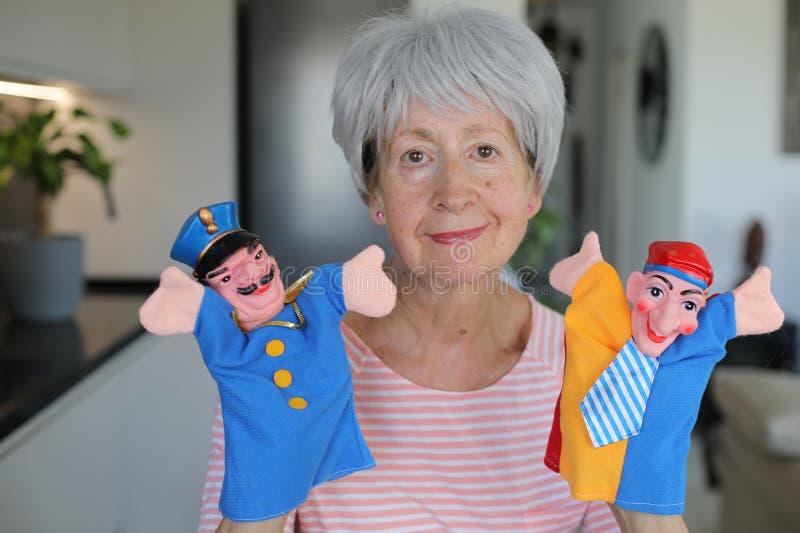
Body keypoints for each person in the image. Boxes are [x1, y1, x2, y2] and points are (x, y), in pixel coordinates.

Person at [199, 7, 621, 532]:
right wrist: (271, 460)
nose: (454, 194)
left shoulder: (590, 368)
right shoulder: (283, 360)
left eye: (484, 150)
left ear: (533, 185)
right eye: (416, 156)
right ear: (373, 191)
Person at [139, 201, 396, 529]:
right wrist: (190, 304)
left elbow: (331, 284)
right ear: (213, 293)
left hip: (316, 445)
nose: (252, 273)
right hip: (261, 456)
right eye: (228, 276)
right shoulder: (229, 345)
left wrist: (353, 279)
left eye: (256, 256)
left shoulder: (311, 303)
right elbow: (202, 316)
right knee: (244, 517)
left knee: (246, 519)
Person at [544, 232, 783, 532]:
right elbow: (594, 294)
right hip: (592, 469)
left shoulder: (690, 354)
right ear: (634, 288)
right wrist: (591, 273)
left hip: (652, 484)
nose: (666, 318)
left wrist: (735, 309)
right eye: (656, 292)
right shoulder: (603, 326)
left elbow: (719, 320)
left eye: (688, 305)